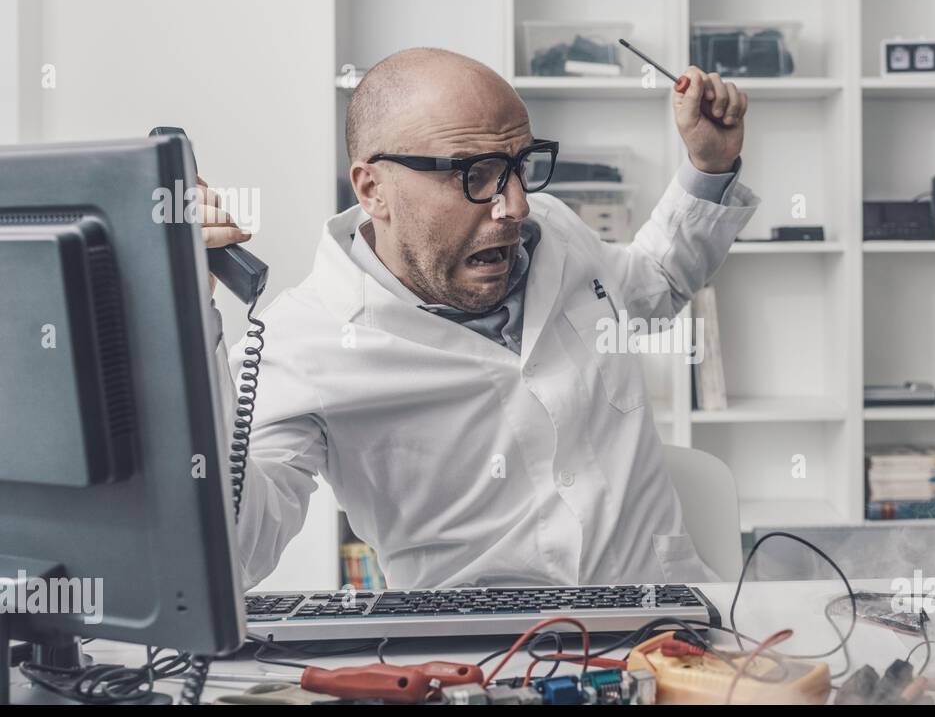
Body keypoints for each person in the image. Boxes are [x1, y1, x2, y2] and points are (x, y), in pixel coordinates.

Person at [199, 47, 757, 590]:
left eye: (520, 166)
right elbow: (236, 556)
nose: (514, 205)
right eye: (476, 173)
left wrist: (708, 167)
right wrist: (184, 317)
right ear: (373, 190)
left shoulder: (554, 230)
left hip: (665, 623)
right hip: (477, 661)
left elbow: (654, 286)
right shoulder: (300, 343)